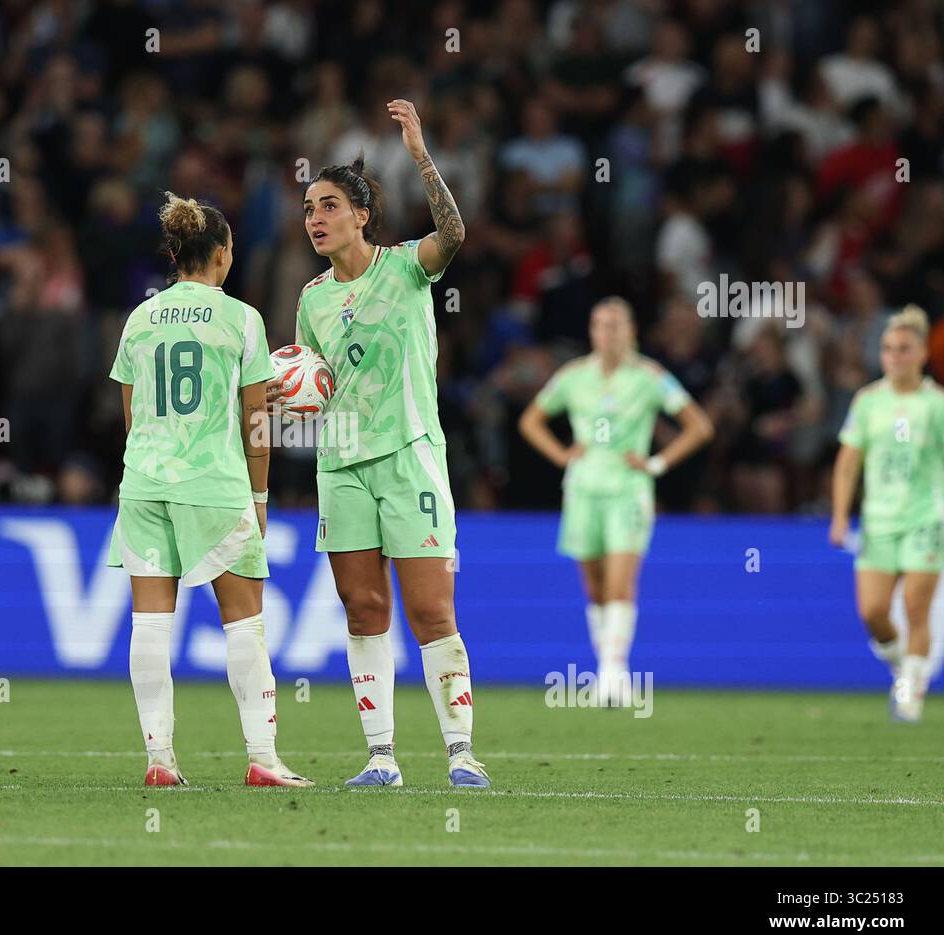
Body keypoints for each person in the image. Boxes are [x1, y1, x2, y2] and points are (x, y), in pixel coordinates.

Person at [276, 99, 487, 788]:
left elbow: (453, 233)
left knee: (431, 611)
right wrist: (290, 393)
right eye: (310, 207)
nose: (316, 218)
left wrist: (422, 155)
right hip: (341, 465)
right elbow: (318, 380)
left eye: (330, 205)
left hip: (409, 457)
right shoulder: (310, 299)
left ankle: (461, 753)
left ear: (362, 215)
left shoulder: (406, 266)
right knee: (364, 609)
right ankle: (381, 758)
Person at [107, 192, 311, 787]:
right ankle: (263, 759)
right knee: (244, 623)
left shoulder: (140, 318)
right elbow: (257, 426)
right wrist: (261, 499)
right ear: (223, 254)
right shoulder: (242, 319)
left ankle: (160, 760)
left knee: (149, 624)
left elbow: (131, 412)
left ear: (174, 253)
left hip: (144, 483)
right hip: (213, 485)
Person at [519, 297, 713, 704]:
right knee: (595, 586)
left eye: (615, 326)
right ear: (591, 332)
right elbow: (531, 420)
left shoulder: (650, 376)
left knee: (622, 581)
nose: (606, 334)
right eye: (599, 325)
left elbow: (699, 426)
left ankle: (613, 675)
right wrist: (562, 456)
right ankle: (605, 668)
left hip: (628, 490)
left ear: (631, 331)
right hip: (583, 490)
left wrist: (656, 463)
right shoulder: (573, 376)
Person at [830, 305, 944, 722]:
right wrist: (839, 516)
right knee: (873, 612)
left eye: (903, 349)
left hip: (926, 520)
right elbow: (848, 462)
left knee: (917, 609)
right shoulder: (868, 402)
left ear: (921, 353)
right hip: (879, 523)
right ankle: (908, 670)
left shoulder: (940, 406)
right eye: (887, 349)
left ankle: (910, 696)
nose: (894, 357)